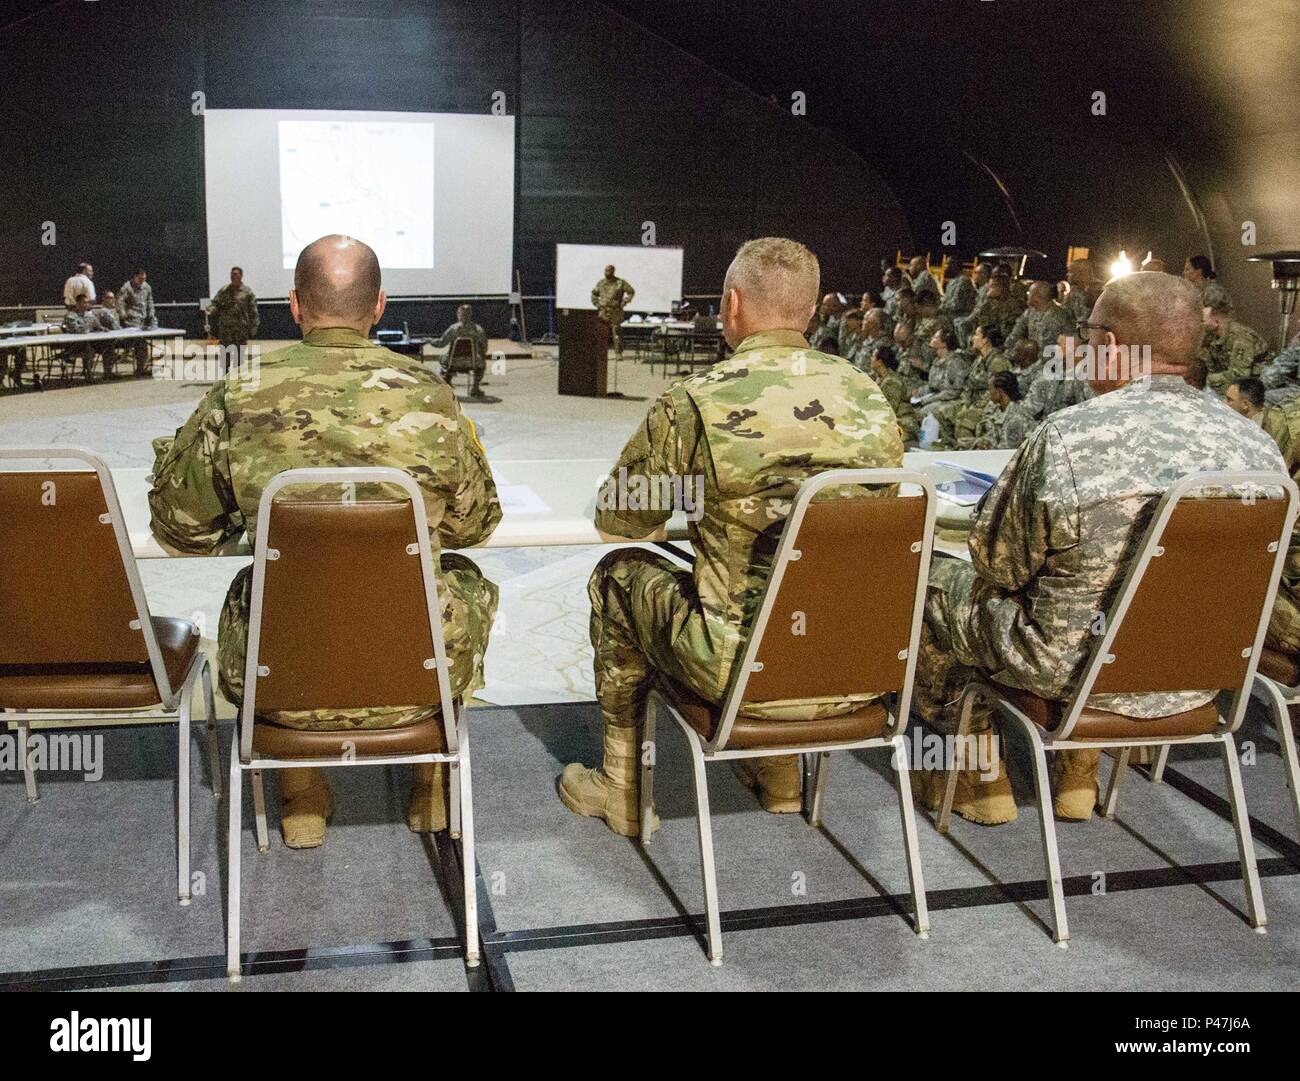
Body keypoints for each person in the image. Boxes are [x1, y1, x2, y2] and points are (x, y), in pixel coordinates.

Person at [149, 235, 500, 849]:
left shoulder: (240, 392)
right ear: (380, 306)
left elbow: (181, 526)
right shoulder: (432, 395)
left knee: (255, 589)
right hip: (418, 684)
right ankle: (431, 784)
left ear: (294, 305)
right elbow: (476, 524)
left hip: (281, 685)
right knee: (454, 582)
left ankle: (302, 798)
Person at [912, 272, 1286, 827]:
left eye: (1086, 339)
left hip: (1067, 671)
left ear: (1110, 346)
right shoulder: (1259, 448)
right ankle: (1078, 774)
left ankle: (978, 779)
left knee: (937, 584)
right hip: (1192, 679)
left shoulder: (1070, 436)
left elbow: (997, 562)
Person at [559, 237, 904, 834]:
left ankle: (622, 787)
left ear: (731, 304)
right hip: (855, 665)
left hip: (736, 669)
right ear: (813, 309)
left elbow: (622, 518)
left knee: (618, 575)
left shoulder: (697, 400)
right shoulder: (869, 397)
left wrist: (704, 497)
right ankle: (779, 773)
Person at [1200, 294, 1271, 395]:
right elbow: (1206, 364)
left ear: (1216, 318)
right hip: (1229, 382)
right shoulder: (1210, 336)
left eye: (1202, 320)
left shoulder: (1241, 337)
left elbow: (1239, 374)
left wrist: (1203, 379)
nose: (1200, 323)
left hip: (1256, 385)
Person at [1226, 377, 1296, 468]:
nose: (1224, 404)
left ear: (1245, 405)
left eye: (1229, 400)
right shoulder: (1246, 424)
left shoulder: (1275, 428)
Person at [432, 303, 490, 398]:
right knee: (482, 363)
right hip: (472, 362)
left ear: (459, 315)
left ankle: (446, 381)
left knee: (442, 359)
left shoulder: (453, 329)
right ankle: (475, 388)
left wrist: (429, 340)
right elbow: (484, 348)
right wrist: (480, 355)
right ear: (470, 315)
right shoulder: (478, 330)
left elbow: (440, 343)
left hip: (453, 362)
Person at [207, 266, 259, 369]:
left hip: (240, 329)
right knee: (225, 355)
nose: (233, 276)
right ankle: (226, 379)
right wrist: (211, 309)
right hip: (226, 329)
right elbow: (215, 304)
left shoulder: (247, 292)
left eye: (236, 274)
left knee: (239, 357)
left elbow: (253, 310)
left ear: (241, 276)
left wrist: (254, 326)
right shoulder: (224, 290)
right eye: (232, 274)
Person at [966, 369, 1031, 449]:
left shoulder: (1017, 418)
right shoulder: (999, 410)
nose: (989, 393)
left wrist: (977, 444)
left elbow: (1005, 452)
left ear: (1000, 392)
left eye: (991, 389)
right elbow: (992, 437)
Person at [870, 343, 920, 443]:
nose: (870, 359)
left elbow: (889, 411)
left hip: (902, 425)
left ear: (879, 362)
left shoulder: (891, 382)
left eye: (873, 357)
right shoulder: (880, 379)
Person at [1006, 281, 1073, 355]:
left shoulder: (1059, 316)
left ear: (1037, 297)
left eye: (1029, 293)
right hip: (1032, 358)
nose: (1027, 295)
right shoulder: (1030, 312)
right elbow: (1016, 332)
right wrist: (1007, 348)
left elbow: (1068, 346)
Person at [118, 268, 158, 375]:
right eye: (140, 279)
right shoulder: (127, 287)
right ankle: (131, 356)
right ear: (135, 277)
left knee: (142, 342)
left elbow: (150, 301)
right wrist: (123, 314)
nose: (142, 281)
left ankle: (140, 366)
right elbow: (120, 301)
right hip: (131, 319)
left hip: (143, 318)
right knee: (140, 342)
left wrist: (151, 313)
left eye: (144, 279)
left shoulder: (147, 287)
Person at [591, 265, 635, 358]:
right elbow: (594, 295)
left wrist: (625, 301)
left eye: (608, 271)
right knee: (601, 332)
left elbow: (631, 292)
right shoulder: (601, 283)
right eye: (605, 271)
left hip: (616, 311)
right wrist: (598, 305)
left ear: (613, 271)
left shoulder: (620, 283)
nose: (606, 272)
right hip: (603, 310)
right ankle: (600, 353)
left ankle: (618, 353)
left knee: (616, 332)